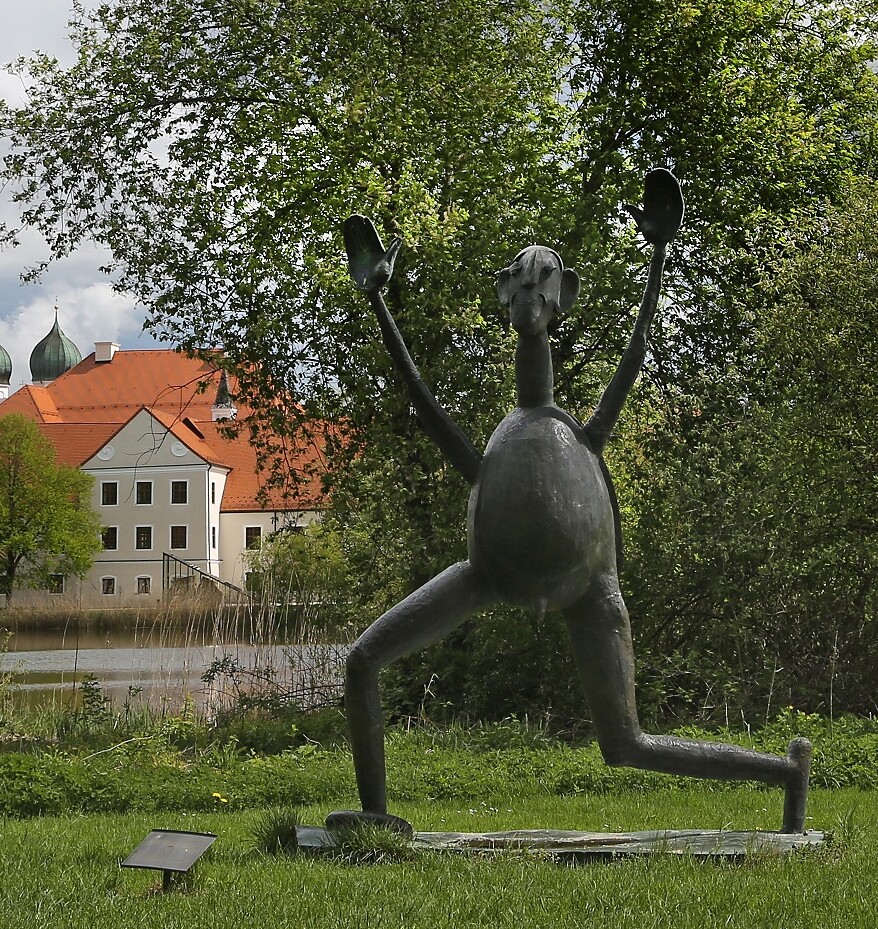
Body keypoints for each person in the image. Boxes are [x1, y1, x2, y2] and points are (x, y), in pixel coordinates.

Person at [328, 169, 811, 837]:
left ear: (560, 299)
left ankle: (786, 774)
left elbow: (634, 354)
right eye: (521, 285)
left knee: (626, 743)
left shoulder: (577, 436)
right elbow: (419, 395)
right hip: (489, 572)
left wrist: (660, 256)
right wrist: (379, 301)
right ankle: (376, 818)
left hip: (589, 586)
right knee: (362, 659)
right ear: (506, 294)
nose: (529, 297)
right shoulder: (501, 448)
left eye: (541, 286)